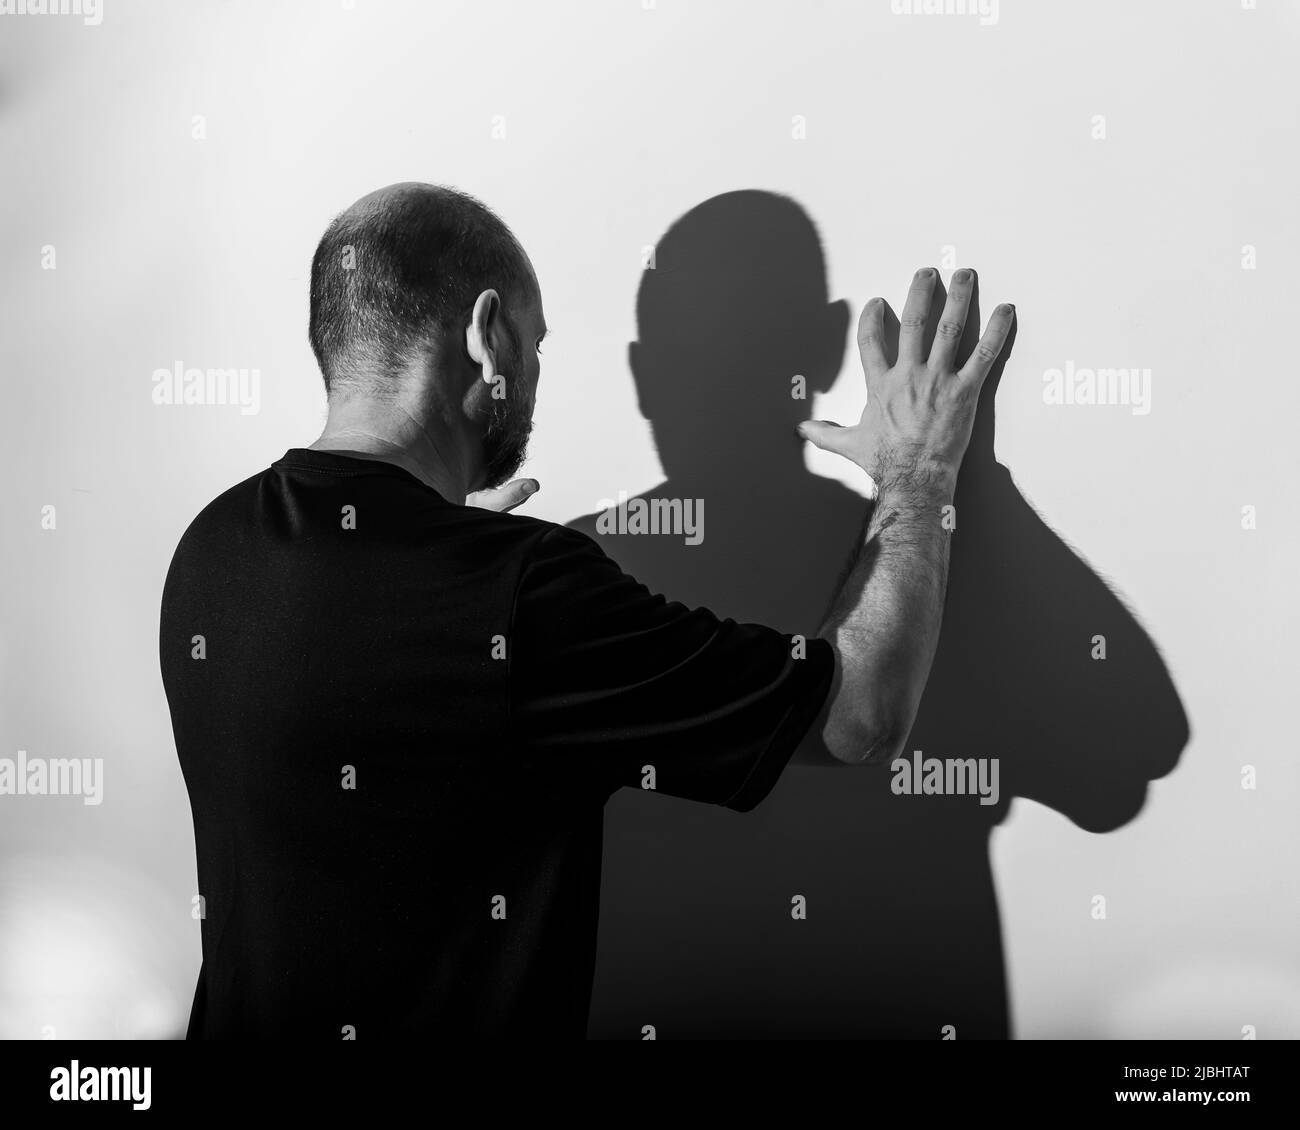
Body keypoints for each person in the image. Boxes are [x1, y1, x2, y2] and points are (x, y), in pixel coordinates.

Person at [159, 181, 1014, 1038]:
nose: (533, 372)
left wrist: (441, 574)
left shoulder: (211, 548)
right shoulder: (524, 593)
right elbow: (862, 713)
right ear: (487, 336)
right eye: (535, 343)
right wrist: (919, 473)